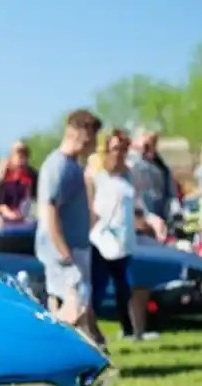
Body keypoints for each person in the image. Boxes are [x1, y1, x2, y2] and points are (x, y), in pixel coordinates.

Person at [88, 129, 164, 342]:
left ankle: (130, 329)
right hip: (101, 238)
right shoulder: (96, 175)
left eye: (123, 149)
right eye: (115, 149)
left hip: (124, 240)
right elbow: (91, 207)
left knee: (125, 286)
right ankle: (90, 328)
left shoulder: (129, 176)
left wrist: (152, 221)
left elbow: (137, 206)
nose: (119, 153)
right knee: (98, 287)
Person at [37, 109, 102, 338]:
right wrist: (64, 252)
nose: (93, 143)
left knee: (81, 304)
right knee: (72, 309)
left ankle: (95, 343)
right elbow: (50, 211)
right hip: (65, 252)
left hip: (76, 248)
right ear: (76, 132)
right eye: (90, 137)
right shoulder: (59, 167)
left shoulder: (74, 166)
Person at [130, 131, 180, 227]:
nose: (147, 148)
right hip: (140, 222)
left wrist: (175, 212)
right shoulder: (133, 165)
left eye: (151, 145)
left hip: (160, 220)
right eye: (146, 145)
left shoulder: (163, 169)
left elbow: (171, 195)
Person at [0, 140, 38, 221]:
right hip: (3, 223)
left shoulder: (32, 176)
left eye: (24, 155)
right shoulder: (1, 175)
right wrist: (3, 209)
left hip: (25, 222)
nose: (21, 160)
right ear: (10, 157)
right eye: (18, 154)